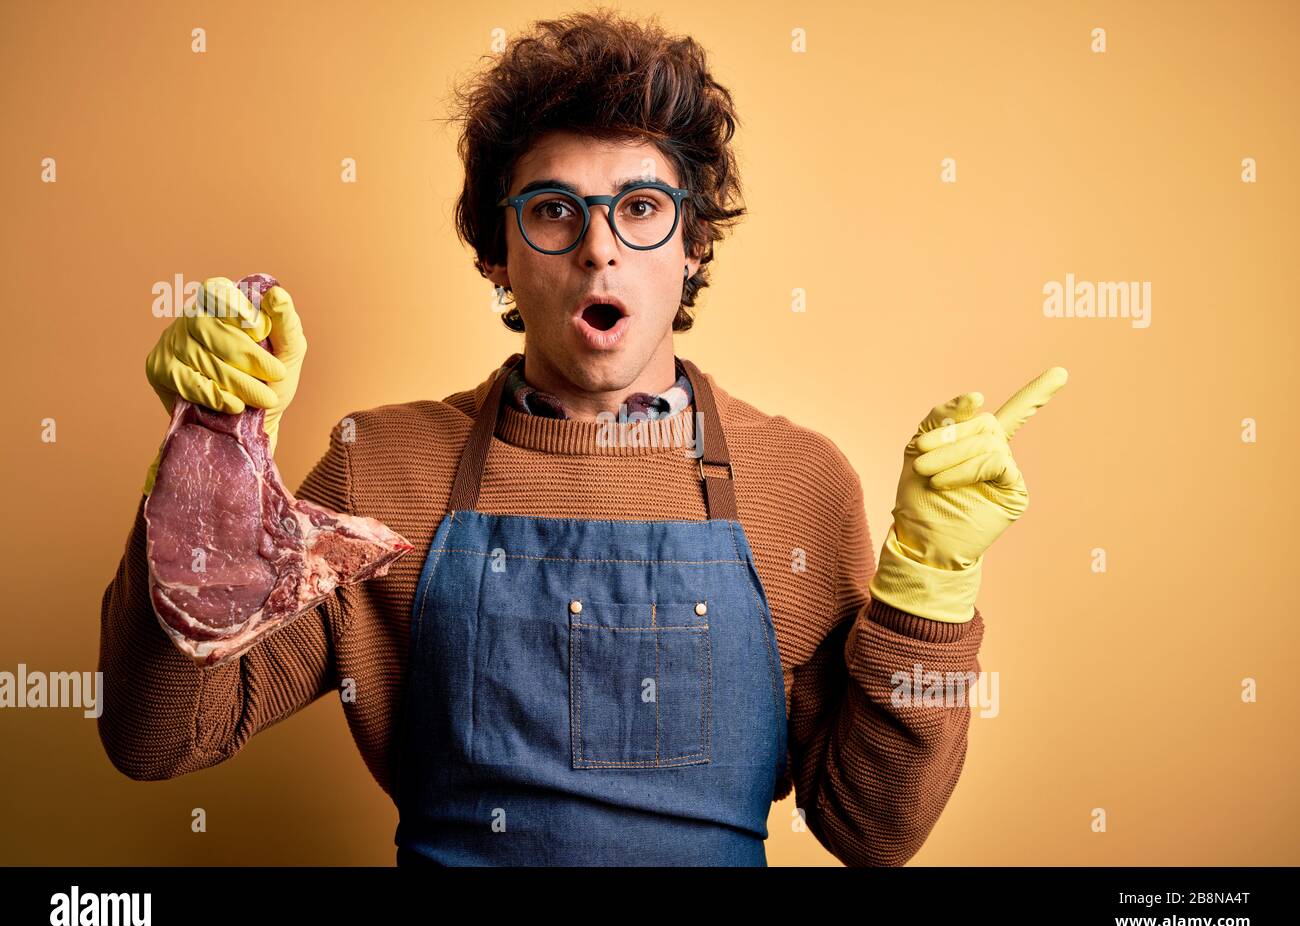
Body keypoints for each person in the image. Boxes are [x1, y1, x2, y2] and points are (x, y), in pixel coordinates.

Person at [99, 8, 1065, 867]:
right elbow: (157, 742)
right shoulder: (380, 465)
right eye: (555, 210)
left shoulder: (798, 480)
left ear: (693, 250)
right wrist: (205, 471)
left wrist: (929, 587)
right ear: (498, 250)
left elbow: (874, 833)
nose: (601, 245)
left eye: (641, 209)